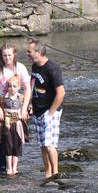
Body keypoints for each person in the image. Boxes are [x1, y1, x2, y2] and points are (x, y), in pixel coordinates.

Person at [0, 44, 31, 175]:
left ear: (14, 55)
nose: (7, 58)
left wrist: (24, 109)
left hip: (16, 106)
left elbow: (28, 89)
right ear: (1, 56)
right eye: (5, 55)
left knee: (17, 137)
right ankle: (3, 167)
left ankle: (14, 167)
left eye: (9, 55)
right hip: (0, 104)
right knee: (1, 137)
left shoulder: (20, 67)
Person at [26, 40, 65, 180]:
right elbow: (33, 86)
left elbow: (61, 92)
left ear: (38, 52)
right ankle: (47, 173)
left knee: (49, 144)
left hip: (51, 111)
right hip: (38, 110)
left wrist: (52, 112)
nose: (27, 54)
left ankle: (55, 174)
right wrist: (29, 104)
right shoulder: (35, 67)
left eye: (29, 51)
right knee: (42, 145)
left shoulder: (52, 68)